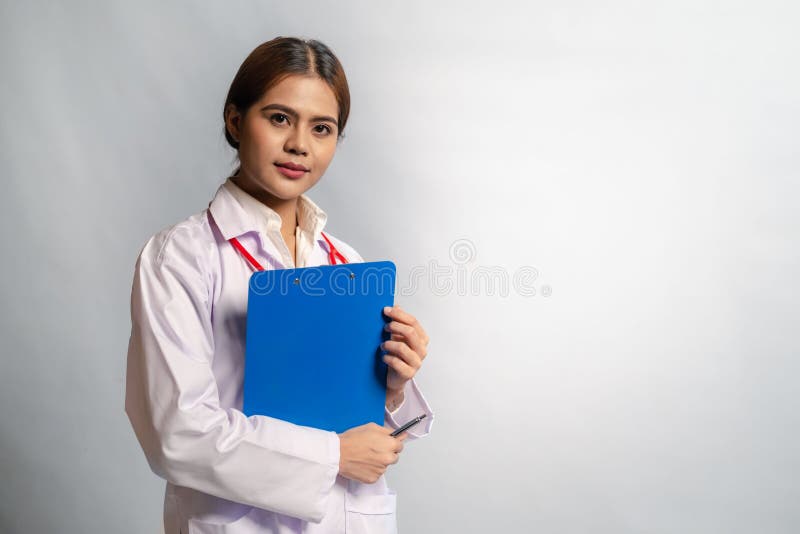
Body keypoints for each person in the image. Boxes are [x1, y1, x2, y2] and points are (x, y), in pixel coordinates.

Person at [124, 36, 435, 534]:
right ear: (235, 121)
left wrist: (391, 384)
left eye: (322, 128)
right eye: (279, 118)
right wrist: (333, 455)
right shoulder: (180, 257)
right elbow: (176, 433)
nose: (299, 145)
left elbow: (362, 433)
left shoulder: (346, 264)